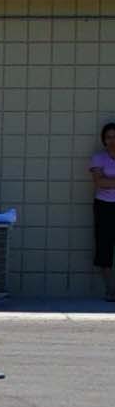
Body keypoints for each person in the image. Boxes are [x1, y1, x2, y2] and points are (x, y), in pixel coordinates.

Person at [90, 121, 115, 301]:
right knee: (104, 245)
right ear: (104, 140)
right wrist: (105, 180)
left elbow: (106, 181)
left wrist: (109, 179)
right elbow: (99, 182)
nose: (112, 141)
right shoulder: (98, 158)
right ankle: (110, 290)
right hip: (104, 205)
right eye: (108, 137)